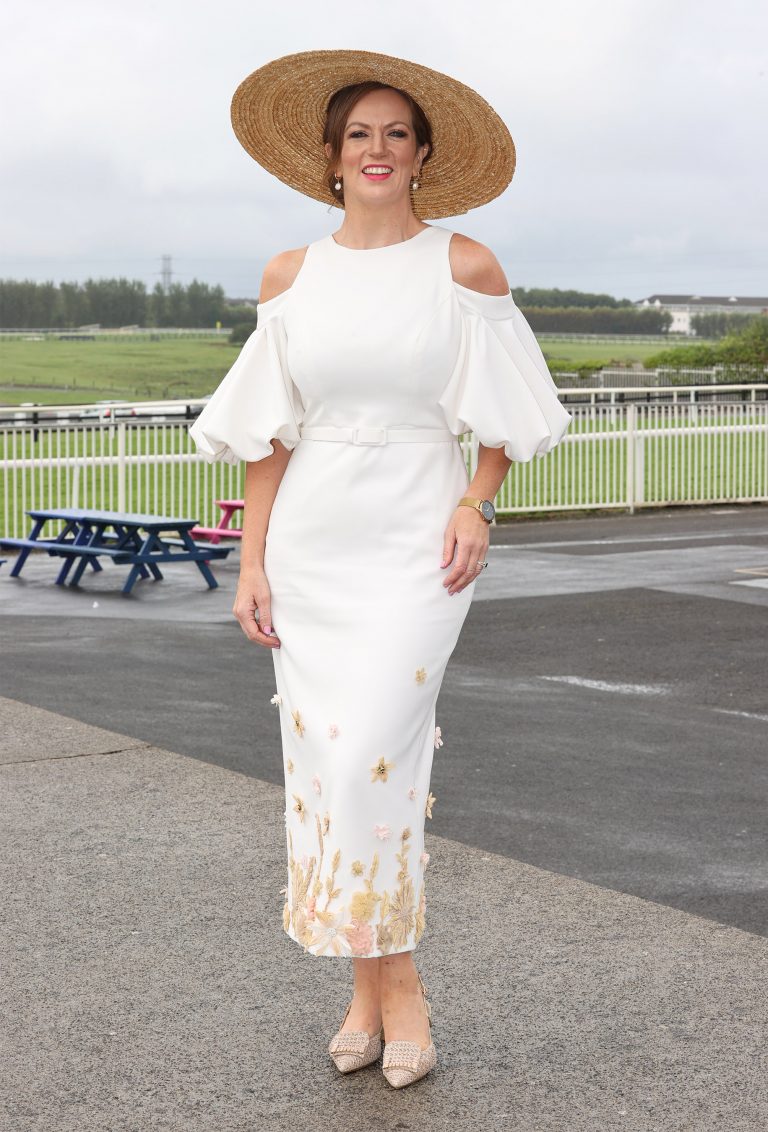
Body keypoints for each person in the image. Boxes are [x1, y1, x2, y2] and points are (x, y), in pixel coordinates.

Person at [189, 48, 572, 1088]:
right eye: (360, 132)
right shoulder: (290, 276)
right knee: (329, 770)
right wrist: (251, 563)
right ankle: (373, 992)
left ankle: (400, 993)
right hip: (312, 546)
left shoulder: (465, 266)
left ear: (423, 156)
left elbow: (498, 411)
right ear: (329, 155)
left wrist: (475, 500)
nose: (378, 148)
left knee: (369, 757)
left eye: (398, 133)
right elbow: (272, 436)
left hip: (415, 543)